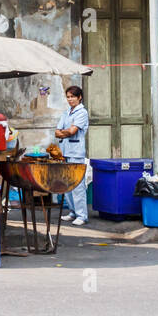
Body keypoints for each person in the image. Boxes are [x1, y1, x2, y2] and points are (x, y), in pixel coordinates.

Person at [54, 86, 90, 226]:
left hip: (75, 152)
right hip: (64, 151)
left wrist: (65, 132)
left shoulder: (82, 112)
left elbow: (72, 131)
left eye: (72, 96)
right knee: (66, 184)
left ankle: (82, 215)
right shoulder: (66, 112)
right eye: (68, 97)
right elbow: (57, 132)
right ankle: (73, 212)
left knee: (77, 184)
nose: (70, 99)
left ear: (79, 97)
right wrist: (65, 132)